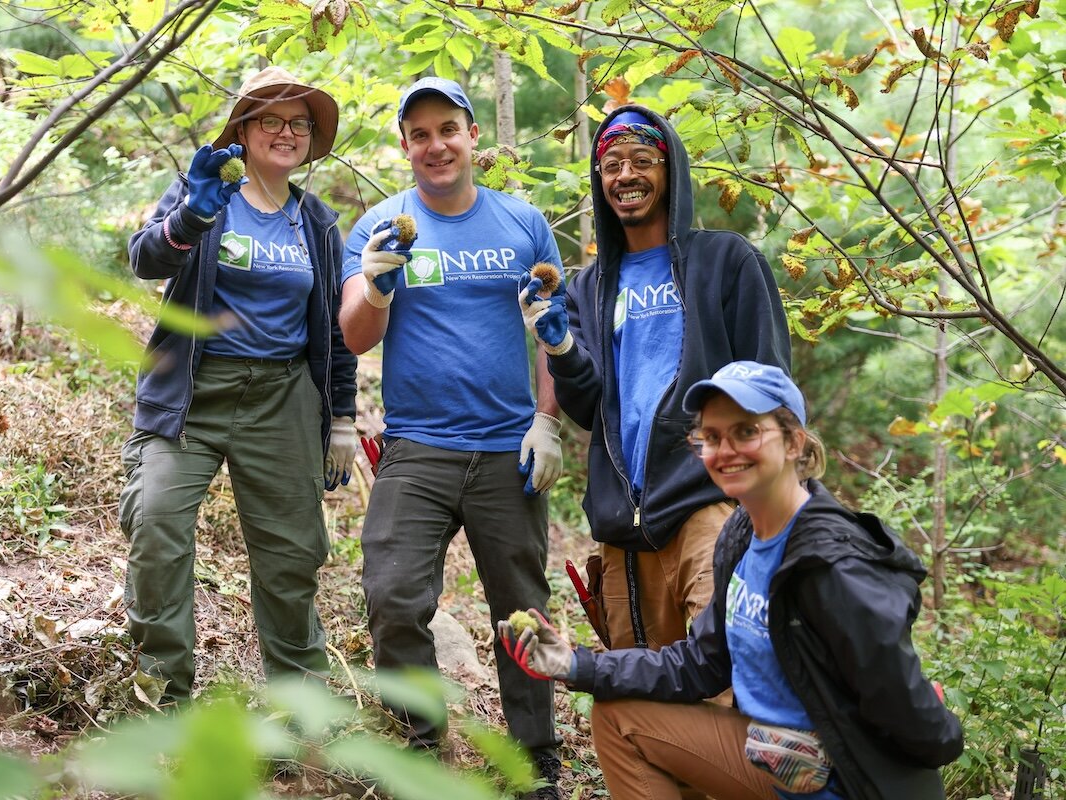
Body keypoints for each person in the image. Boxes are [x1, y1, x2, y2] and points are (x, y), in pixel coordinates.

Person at [500, 361, 965, 800]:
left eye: (746, 432)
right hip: (770, 758)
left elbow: (906, 706)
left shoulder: (831, 563)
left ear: (795, 442)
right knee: (619, 715)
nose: (725, 451)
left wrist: (912, 738)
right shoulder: (741, 535)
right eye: (711, 436)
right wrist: (576, 664)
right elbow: (701, 662)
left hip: (840, 777)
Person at [338, 77, 565, 798]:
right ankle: (420, 746)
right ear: (404, 145)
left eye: (448, 129)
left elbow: (553, 334)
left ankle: (535, 760)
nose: (435, 144)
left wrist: (548, 421)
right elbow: (353, 335)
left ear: (473, 137)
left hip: (508, 449)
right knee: (393, 594)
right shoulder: (379, 223)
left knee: (521, 609)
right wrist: (376, 286)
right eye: (420, 133)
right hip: (417, 448)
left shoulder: (524, 223)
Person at [120, 67, 357, 706]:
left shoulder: (317, 222)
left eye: (298, 123)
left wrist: (341, 416)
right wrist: (191, 219)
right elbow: (144, 258)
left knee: (290, 554)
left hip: (282, 397)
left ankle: (300, 702)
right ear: (244, 130)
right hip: (192, 392)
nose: (286, 133)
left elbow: (334, 325)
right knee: (157, 523)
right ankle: (161, 690)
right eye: (271, 120)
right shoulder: (204, 191)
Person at [520, 105, 791, 653]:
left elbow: (769, 380)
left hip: (709, 508)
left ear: (670, 171)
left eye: (642, 160)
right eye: (611, 165)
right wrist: (560, 346)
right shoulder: (588, 287)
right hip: (624, 528)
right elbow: (588, 405)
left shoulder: (724, 260)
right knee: (637, 699)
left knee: (732, 676)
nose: (625, 176)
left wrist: (764, 502)